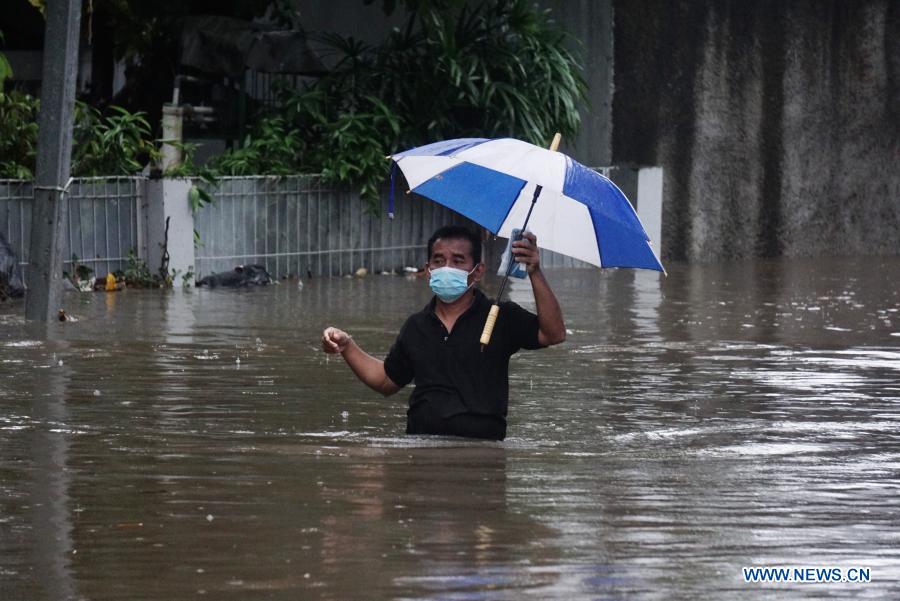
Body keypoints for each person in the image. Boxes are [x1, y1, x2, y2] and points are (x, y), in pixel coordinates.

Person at [321, 225, 566, 440]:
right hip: (421, 449)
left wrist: (534, 271)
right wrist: (347, 346)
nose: (447, 268)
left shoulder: (501, 316)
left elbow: (553, 334)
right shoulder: (416, 326)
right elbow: (386, 381)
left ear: (478, 271)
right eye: (438, 261)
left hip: (483, 453)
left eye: (458, 261)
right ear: (428, 270)